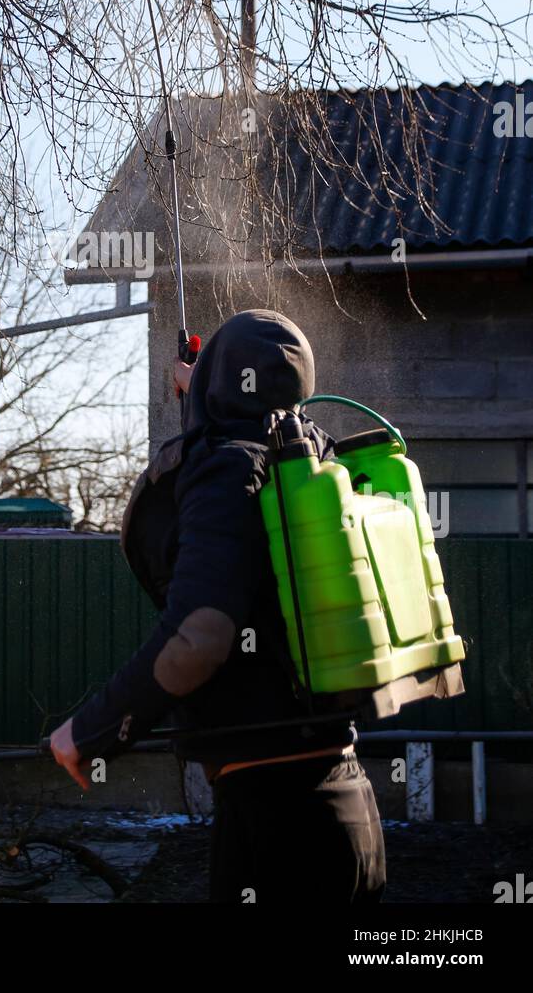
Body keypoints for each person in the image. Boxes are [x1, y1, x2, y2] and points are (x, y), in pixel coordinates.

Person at [50, 309, 386, 904]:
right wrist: (202, 384)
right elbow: (248, 433)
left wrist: (94, 730)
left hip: (275, 821)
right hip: (347, 802)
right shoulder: (311, 464)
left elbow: (200, 636)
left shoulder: (225, 467)